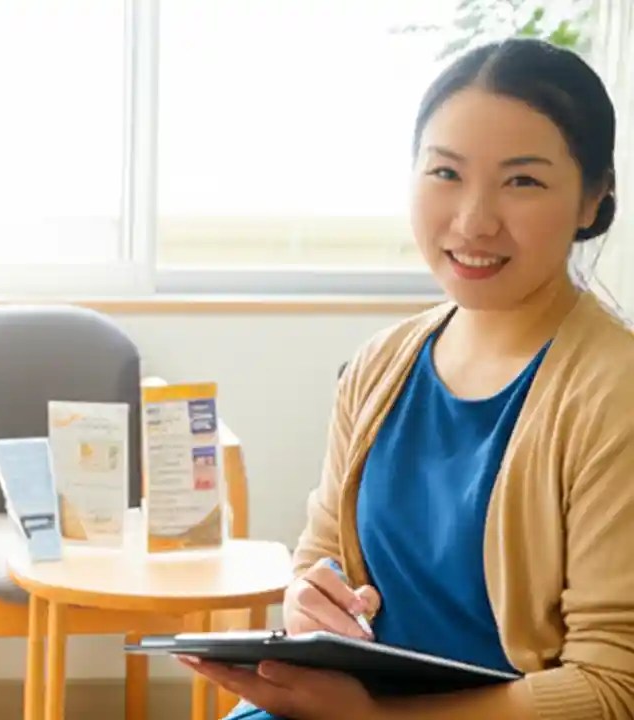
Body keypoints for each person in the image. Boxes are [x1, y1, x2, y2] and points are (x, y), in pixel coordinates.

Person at [181, 37, 631, 719]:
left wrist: (375, 719)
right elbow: (322, 555)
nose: (474, 221)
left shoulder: (613, 392)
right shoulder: (381, 363)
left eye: (523, 181)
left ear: (593, 199)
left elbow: (610, 688)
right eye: (446, 173)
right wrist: (309, 598)